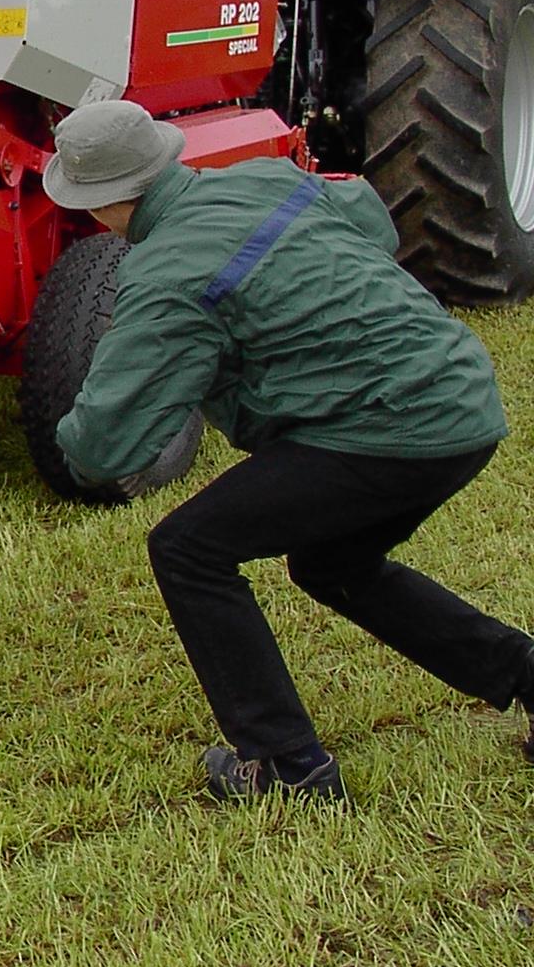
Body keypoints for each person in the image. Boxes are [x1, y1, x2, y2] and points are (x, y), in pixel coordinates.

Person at [44, 100, 529, 805]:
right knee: (333, 563)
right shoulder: (269, 179)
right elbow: (372, 222)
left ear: (98, 205)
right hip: (461, 394)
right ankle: (526, 674)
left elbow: (103, 447)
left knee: (188, 548)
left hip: (386, 428)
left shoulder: (163, 274)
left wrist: (71, 434)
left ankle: (287, 766)